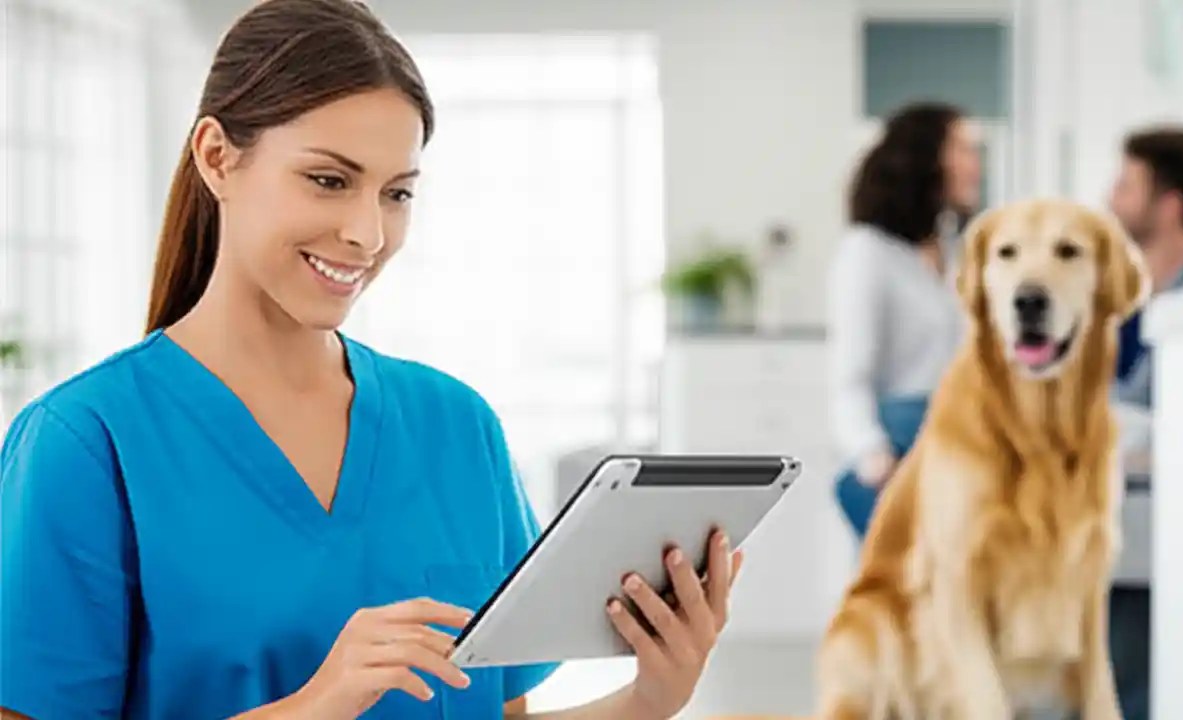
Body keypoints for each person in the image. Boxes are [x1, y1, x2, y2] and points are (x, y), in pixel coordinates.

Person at [0, 2, 742, 719]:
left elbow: (493, 713)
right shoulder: (85, 443)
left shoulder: (458, 428)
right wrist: (313, 708)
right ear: (217, 158)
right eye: (329, 180)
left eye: (396, 193)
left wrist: (650, 700)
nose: (366, 233)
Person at [1105, 125, 1183, 720]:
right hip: (1089, 536)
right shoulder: (1105, 303)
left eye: (1127, 185)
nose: (1110, 197)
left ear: (1169, 205)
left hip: (1161, 545)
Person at [828, 102, 983, 537]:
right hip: (898, 451)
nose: (976, 164)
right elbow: (850, 379)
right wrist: (874, 457)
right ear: (925, 158)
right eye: (963, 149)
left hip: (960, 445)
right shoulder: (867, 252)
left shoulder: (955, 252)